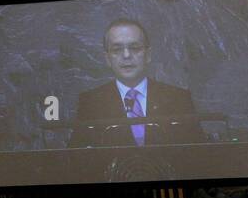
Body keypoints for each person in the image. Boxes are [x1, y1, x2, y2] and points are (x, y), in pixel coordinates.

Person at [68, 18, 204, 149]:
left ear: (148, 55)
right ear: (107, 59)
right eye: (116, 50)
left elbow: (197, 156)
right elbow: (79, 162)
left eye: (134, 48)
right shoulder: (91, 102)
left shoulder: (178, 98)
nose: (126, 55)